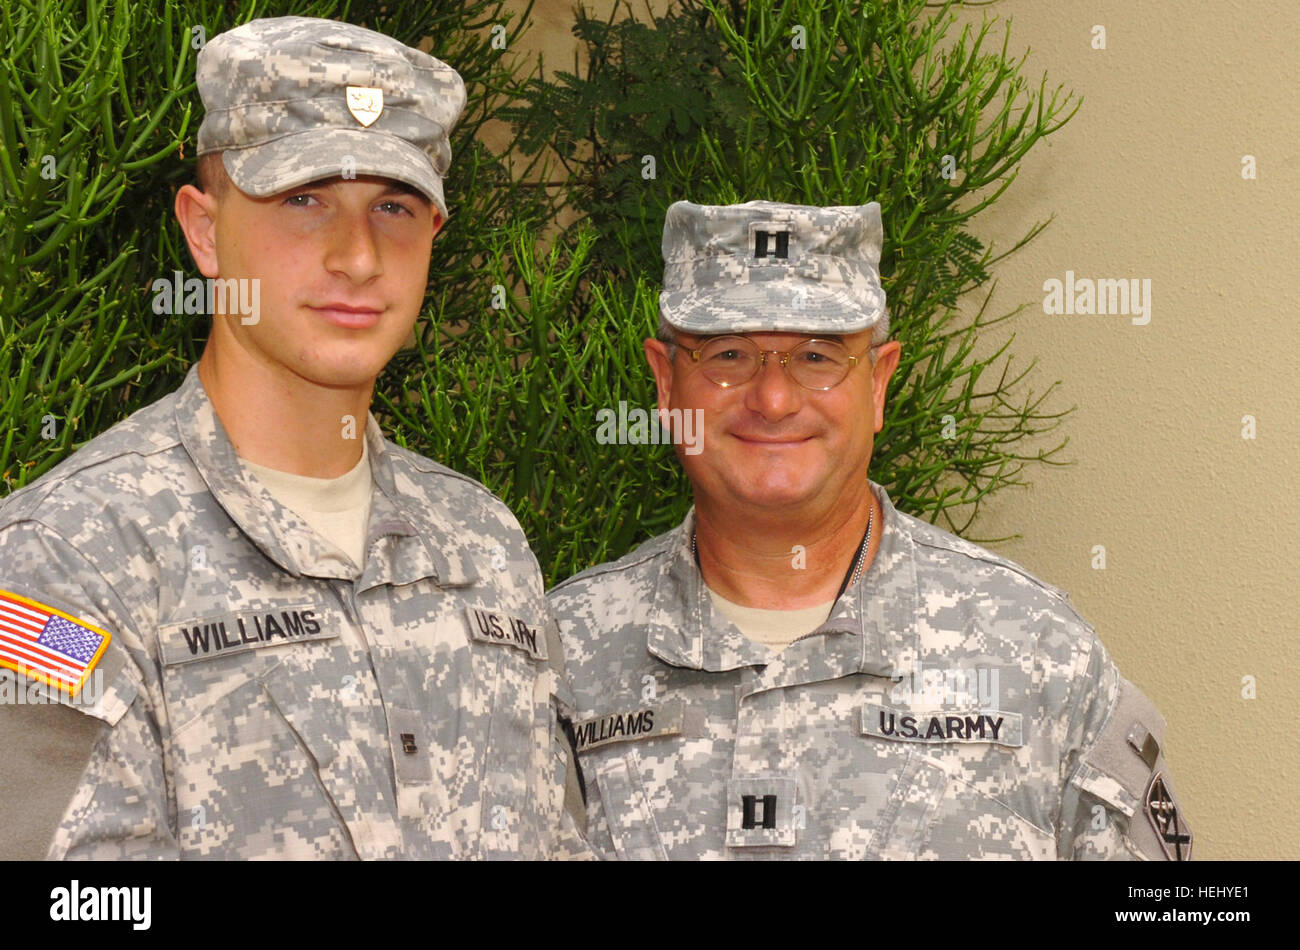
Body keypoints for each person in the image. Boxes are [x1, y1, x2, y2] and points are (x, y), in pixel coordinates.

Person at [0, 16, 586, 860]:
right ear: (205, 230)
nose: (356, 256)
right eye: (303, 200)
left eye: (393, 205)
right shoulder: (56, 562)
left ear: (433, 239)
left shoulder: (483, 545)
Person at [547, 199, 1192, 860]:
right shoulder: (558, 662)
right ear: (665, 382)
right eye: (729, 354)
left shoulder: (1039, 656)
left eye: (819, 357)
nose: (773, 399)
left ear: (879, 382)